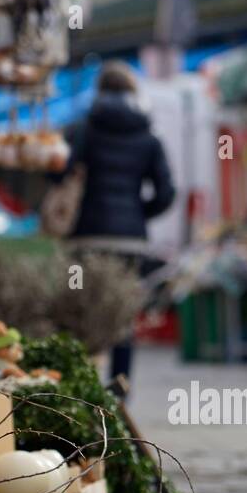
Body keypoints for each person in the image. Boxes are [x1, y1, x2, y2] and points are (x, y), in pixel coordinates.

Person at [64, 60, 175, 382]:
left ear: (100, 92)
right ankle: (120, 391)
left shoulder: (84, 129)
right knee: (123, 316)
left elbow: (59, 170)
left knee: (83, 310)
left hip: (87, 236)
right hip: (130, 241)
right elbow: (167, 192)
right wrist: (139, 213)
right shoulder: (149, 136)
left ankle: (84, 388)